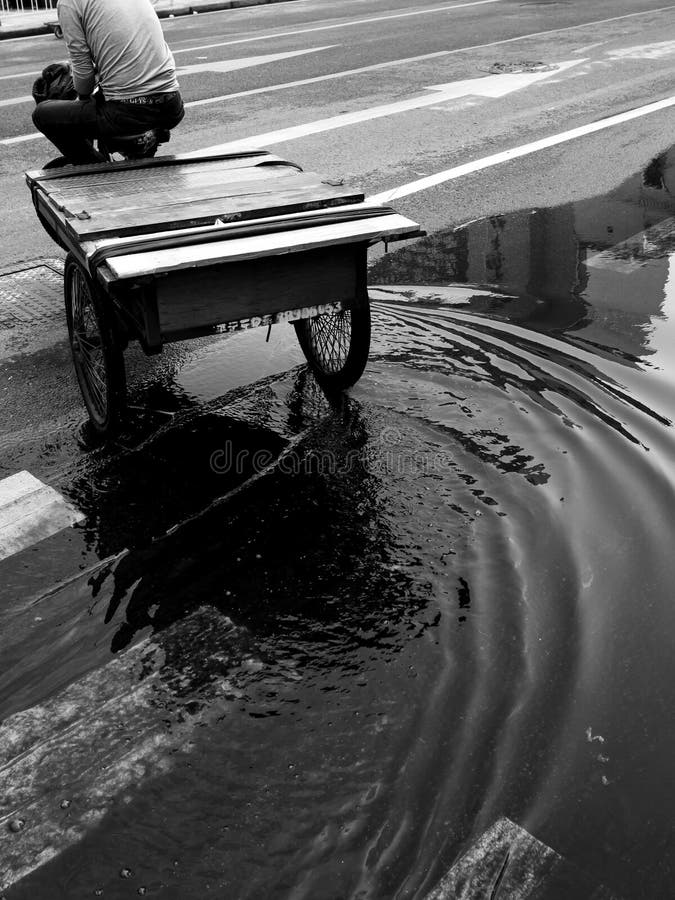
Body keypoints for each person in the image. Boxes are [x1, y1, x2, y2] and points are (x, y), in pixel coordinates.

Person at [32, 0, 184, 167]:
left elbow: (84, 80)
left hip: (130, 111)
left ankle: (97, 167)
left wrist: (83, 95)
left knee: (42, 115)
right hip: (172, 105)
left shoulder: (69, 3)